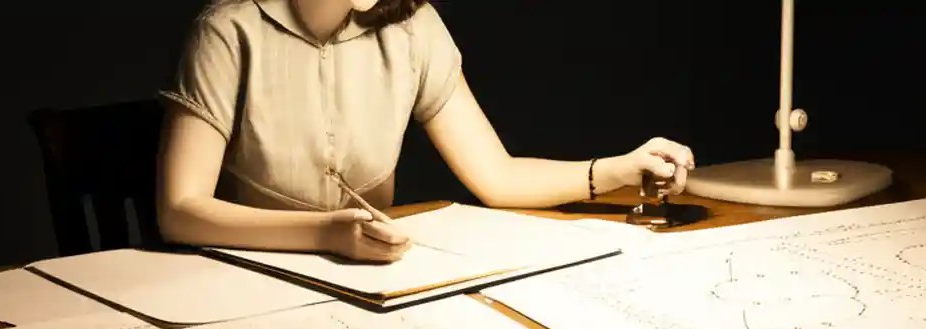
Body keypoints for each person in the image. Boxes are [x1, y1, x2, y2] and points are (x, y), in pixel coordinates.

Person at [156, 0, 695, 263]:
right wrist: (325, 234)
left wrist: (618, 170)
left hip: (373, 277)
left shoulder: (412, 27)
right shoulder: (227, 33)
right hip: (243, 280)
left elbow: (498, 177)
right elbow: (180, 210)